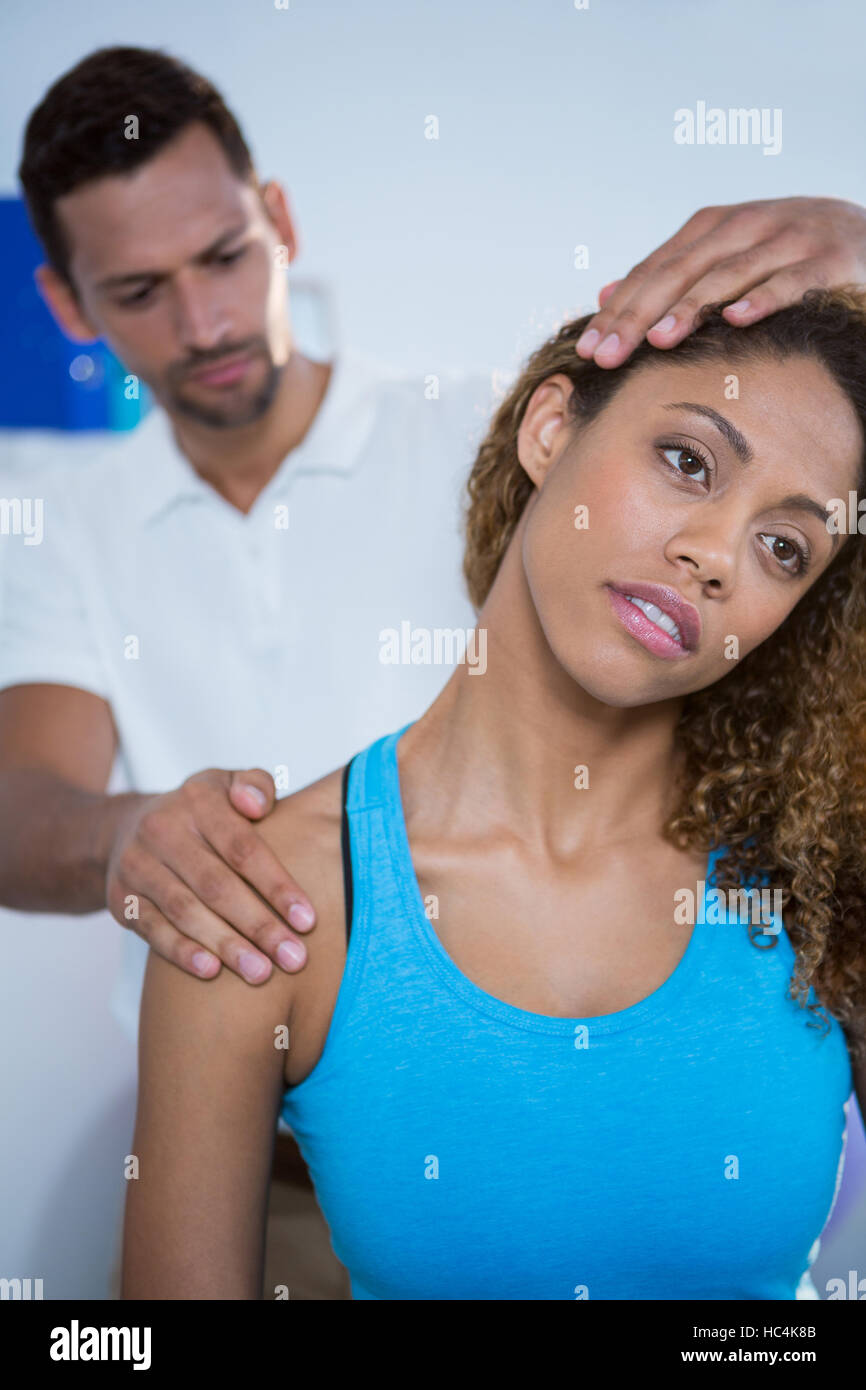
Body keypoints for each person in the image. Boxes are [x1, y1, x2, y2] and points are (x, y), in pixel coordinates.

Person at [4, 44, 866, 1298]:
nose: (205, 322)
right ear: (74, 308)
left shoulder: (473, 430)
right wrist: (141, 839)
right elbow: (22, 802)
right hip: (294, 1143)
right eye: (139, 288)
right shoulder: (62, 528)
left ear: (277, 224)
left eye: (225, 258)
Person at [123, 285, 866, 1300]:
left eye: (783, 546)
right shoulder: (266, 896)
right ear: (551, 428)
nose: (712, 555)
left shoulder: (819, 883)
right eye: (687, 461)